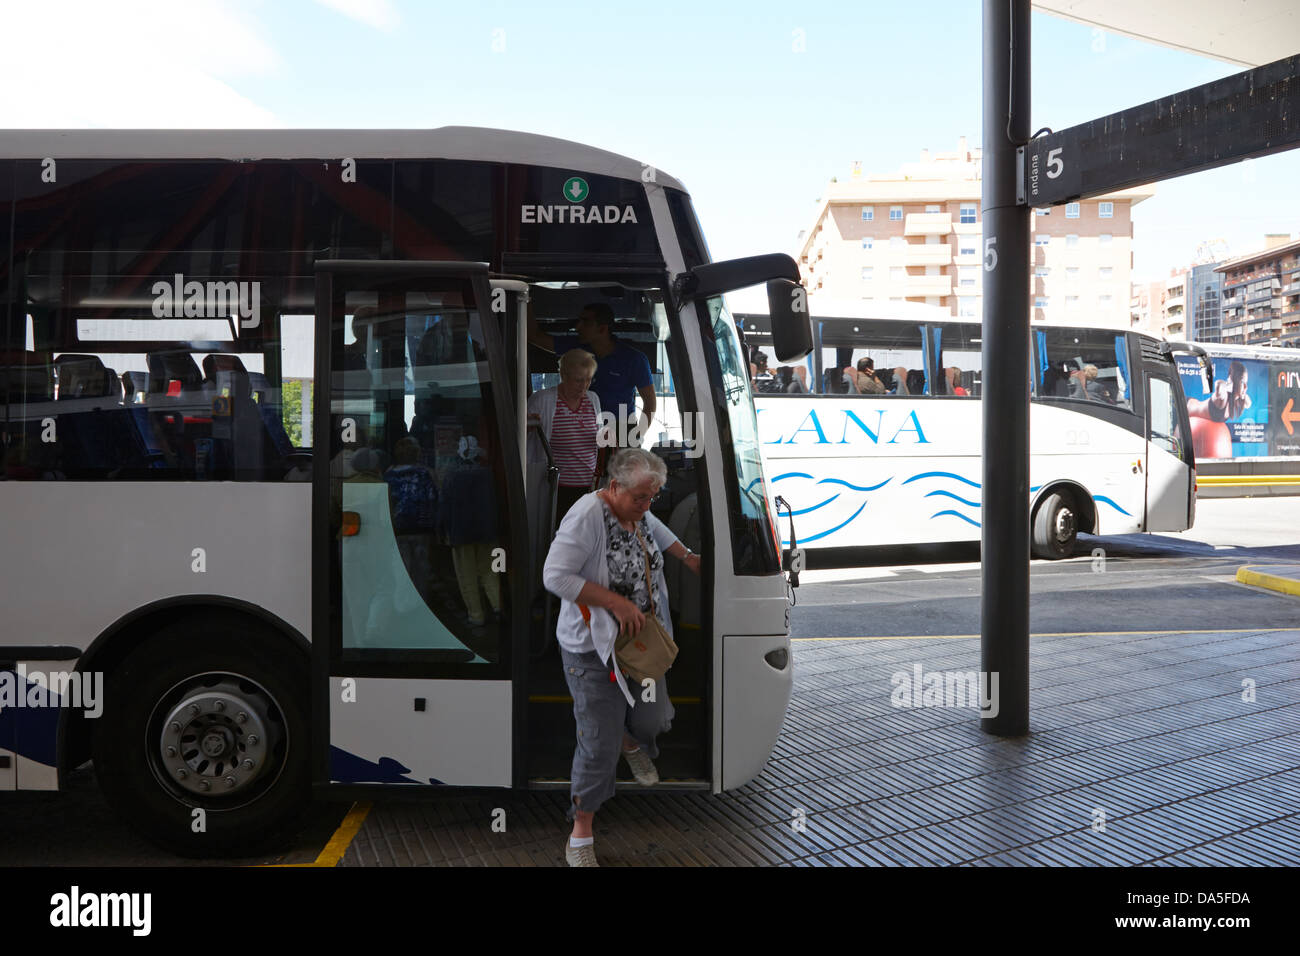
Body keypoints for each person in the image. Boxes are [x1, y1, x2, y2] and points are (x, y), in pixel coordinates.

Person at [542, 448, 702, 867]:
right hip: (596, 651)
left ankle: (632, 741)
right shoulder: (586, 516)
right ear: (613, 487)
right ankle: (580, 831)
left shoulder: (639, 510)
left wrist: (688, 557)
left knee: (654, 718)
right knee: (598, 743)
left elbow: (656, 527)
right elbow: (554, 575)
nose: (646, 506)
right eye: (640, 498)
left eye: (653, 497)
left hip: (643, 644)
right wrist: (614, 602)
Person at [529, 301, 656, 447]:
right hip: (579, 430)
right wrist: (527, 296)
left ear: (602, 329)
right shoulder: (575, 348)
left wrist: (636, 436)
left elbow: (650, 402)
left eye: (585, 322)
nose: (578, 327)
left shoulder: (634, 359)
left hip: (620, 432)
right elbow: (534, 336)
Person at [527, 348, 606, 525]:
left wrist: (605, 436)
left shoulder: (593, 399)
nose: (584, 386)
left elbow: (598, 438)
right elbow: (521, 436)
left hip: (589, 485)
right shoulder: (542, 400)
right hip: (555, 487)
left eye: (588, 380)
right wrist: (527, 426)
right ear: (563, 375)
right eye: (578, 380)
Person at [438, 435, 501, 628]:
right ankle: (498, 608)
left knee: (466, 576)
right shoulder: (488, 474)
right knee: (490, 572)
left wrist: (441, 531)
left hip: (460, 532)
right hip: (487, 531)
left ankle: (476, 616)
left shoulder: (450, 475)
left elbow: (444, 507)